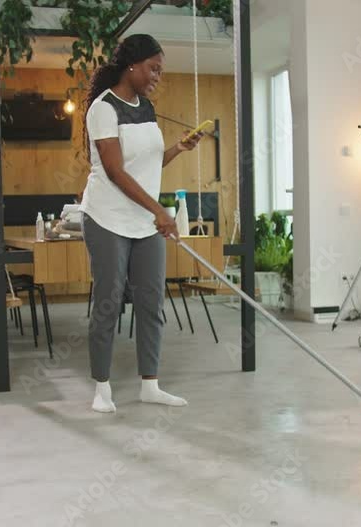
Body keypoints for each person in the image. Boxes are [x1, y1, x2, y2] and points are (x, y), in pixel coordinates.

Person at [79, 34, 205, 413]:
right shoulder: (103, 108)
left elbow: (147, 164)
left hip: (144, 221)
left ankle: (150, 384)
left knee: (151, 302)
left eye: (160, 71)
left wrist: (178, 148)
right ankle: (102, 388)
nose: (157, 77)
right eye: (153, 68)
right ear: (131, 65)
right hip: (107, 218)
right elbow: (116, 171)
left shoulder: (146, 108)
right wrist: (160, 210)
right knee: (108, 301)